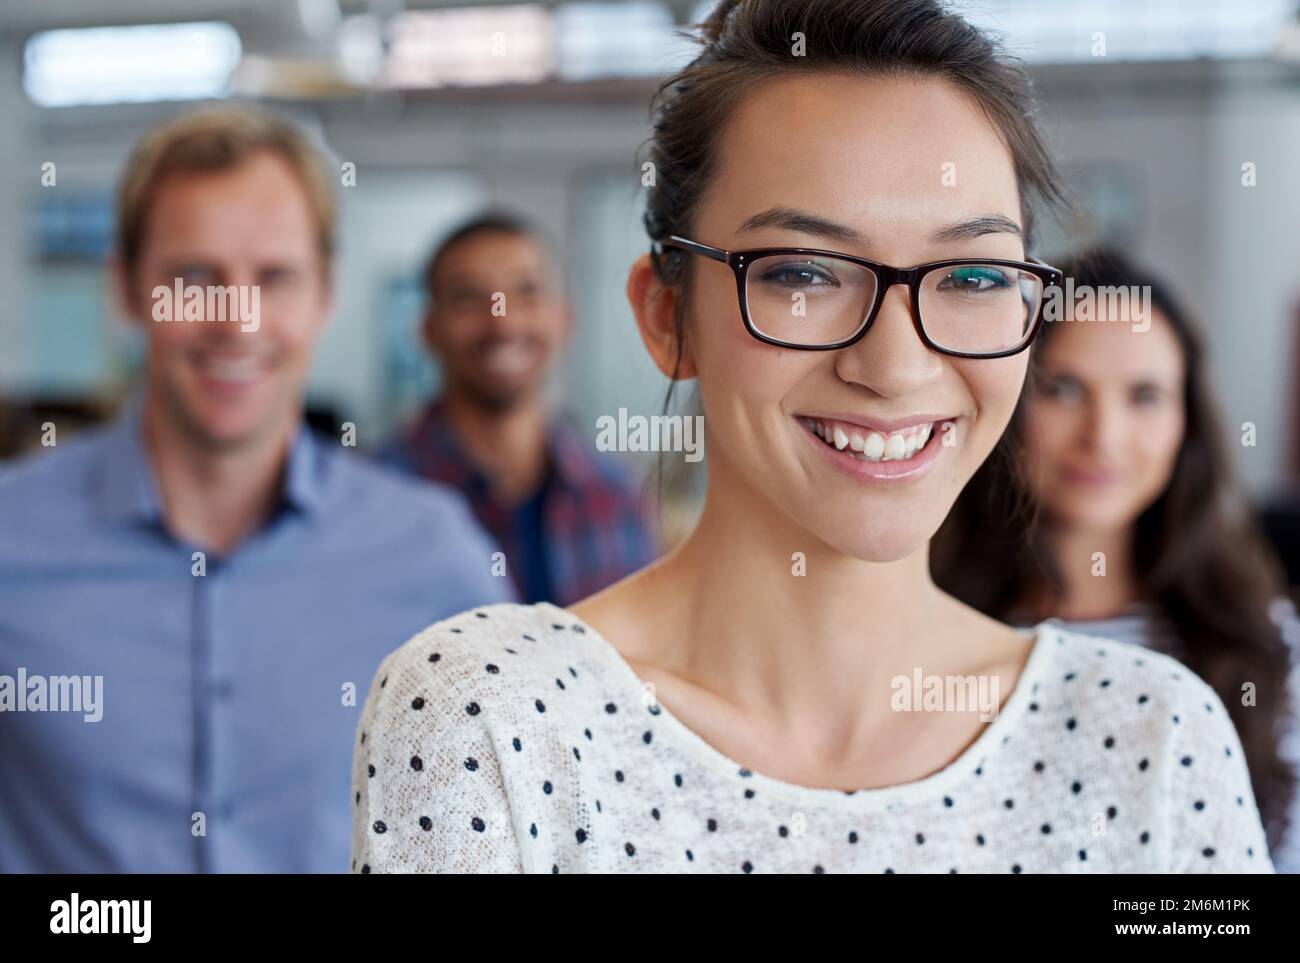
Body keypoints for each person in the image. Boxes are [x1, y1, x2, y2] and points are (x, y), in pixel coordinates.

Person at [351, 0, 1272, 873]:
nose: (897, 363)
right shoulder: (492, 720)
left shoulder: (1152, 743)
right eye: (802, 271)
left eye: (973, 277)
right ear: (668, 315)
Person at [0, 107, 512, 873]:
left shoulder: (436, 561)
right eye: (193, 277)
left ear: (324, 296)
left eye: (274, 278)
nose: (237, 320)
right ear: (126, 290)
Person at [932, 245, 1298, 870]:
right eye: (1064, 389)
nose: (1103, 436)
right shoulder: (929, 632)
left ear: (1188, 423)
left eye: (1145, 395)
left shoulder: (1263, 641)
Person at [379, 212, 658, 605]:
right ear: (428, 329)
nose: (503, 324)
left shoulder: (614, 495)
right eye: (468, 298)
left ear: (564, 318)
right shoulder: (380, 502)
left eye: (527, 292)